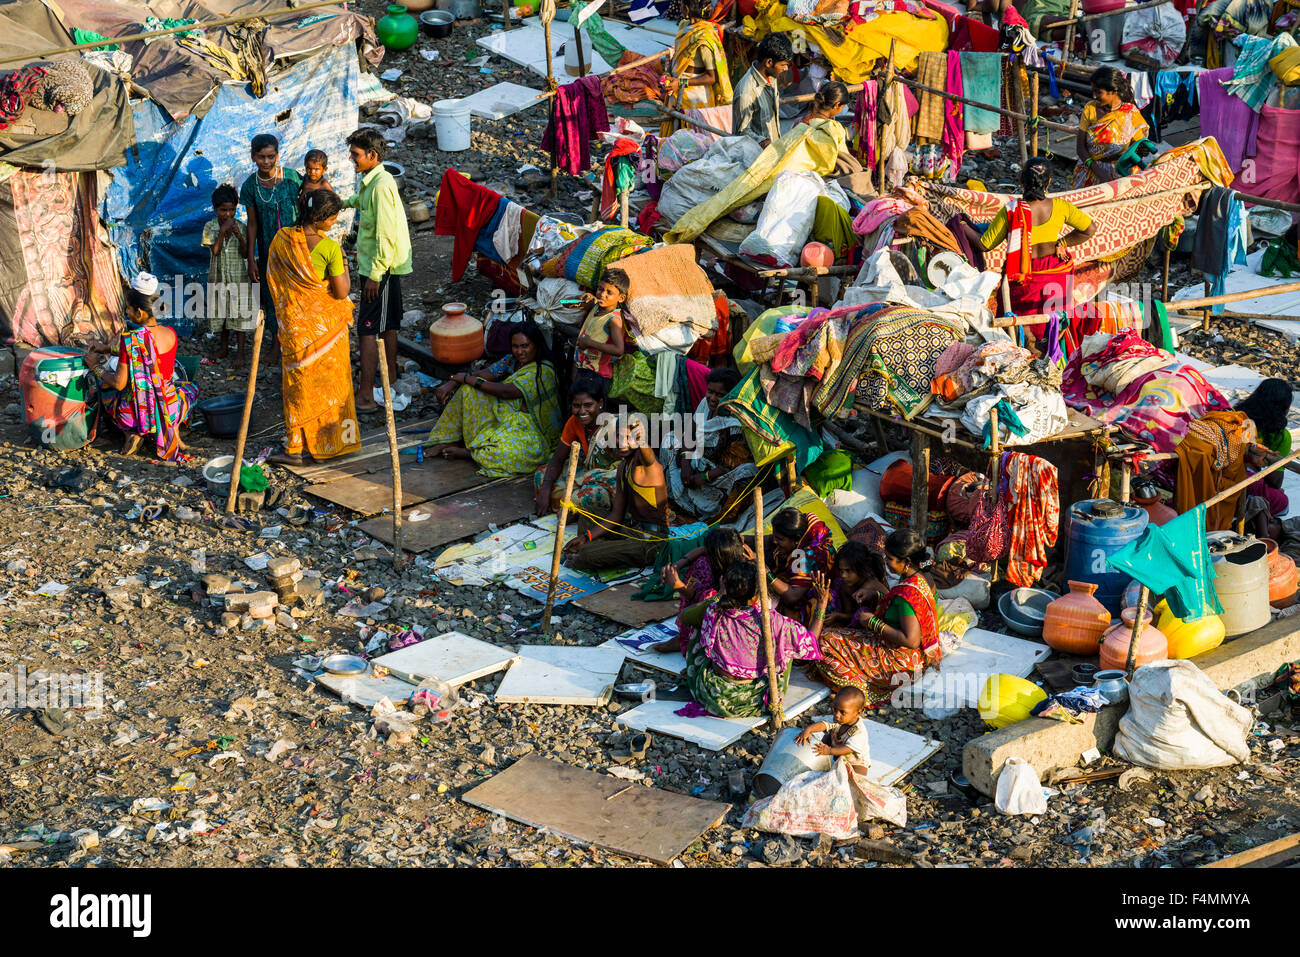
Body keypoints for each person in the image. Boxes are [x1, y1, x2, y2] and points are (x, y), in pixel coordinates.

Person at [263, 189, 361, 467]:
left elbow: (276, 283)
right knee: (330, 387)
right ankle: (329, 443)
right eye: (332, 217)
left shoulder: (281, 240)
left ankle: (296, 447)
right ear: (320, 218)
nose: (334, 222)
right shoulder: (330, 248)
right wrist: (342, 261)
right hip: (326, 332)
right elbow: (342, 292)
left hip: (295, 331)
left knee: (298, 388)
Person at [813, 529, 943, 708]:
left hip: (902, 664)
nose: (886, 562)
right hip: (918, 658)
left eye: (889, 558)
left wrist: (872, 622)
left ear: (906, 561)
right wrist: (875, 593)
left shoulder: (908, 593)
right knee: (836, 636)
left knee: (823, 642)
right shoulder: (922, 577)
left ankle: (863, 689)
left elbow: (911, 640)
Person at [974, 157, 1095, 349]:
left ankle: (1025, 352)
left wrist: (962, 226)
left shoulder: (1011, 211)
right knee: (1053, 323)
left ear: (1021, 181)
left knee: (1020, 325)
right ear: (1048, 182)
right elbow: (1089, 229)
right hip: (1055, 275)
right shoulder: (1061, 207)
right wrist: (1062, 242)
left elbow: (984, 244)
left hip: (1023, 275)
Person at [682, 560, 827, 718]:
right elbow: (810, 640)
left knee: (700, 627)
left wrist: (718, 595)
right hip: (754, 700)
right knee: (785, 645)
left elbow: (685, 616)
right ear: (757, 594)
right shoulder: (774, 622)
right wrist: (821, 605)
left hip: (714, 695)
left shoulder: (714, 609)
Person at [85, 272, 198, 462]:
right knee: (187, 388)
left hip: (136, 415)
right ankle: (174, 428)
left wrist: (95, 366)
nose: (126, 312)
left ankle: (130, 433)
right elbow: (147, 356)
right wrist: (109, 349)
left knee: (105, 387)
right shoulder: (170, 334)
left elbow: (119, 383)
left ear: (139, 312)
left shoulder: (130, 341)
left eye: (128, 309)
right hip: (169, 409)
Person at [428, 322, 562, 476]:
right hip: (506, 418)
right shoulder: (512, 360)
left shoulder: (543, 370)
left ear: (536, 345)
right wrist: (453, 382)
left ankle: (468, 453)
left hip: (531, 430)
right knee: (468, 391)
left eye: (525, 346)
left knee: (511, 453)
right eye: (515, 346)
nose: (520, 351)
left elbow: (506, 391)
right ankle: (449, 440)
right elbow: (484, 373)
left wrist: (464, 379)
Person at [342, 129, 412, 413]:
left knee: (367, 329)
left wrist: (375, 274)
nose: (351, 159)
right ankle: (390, 378)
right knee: (388, 323)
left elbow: (386, 234)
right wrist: (341, 203)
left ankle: (366, 394)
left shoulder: (382, 185)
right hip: (381, 265)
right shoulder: (373, 181)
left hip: (379, 267)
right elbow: (362, 203)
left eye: (355, 155)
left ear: (372, 155)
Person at [563, 418, 671, 572]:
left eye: (629, 438)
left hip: (652, 541)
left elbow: (648, 457)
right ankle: (600, 550)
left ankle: (594, 553)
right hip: (633, 530)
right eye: (618, 437)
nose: (622, 442)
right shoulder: (622, 467)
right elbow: (616, 516)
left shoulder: (648, 466)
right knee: (588, 514)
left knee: (587, 554)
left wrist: (641, 441)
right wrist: (586, 537)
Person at [665, 367, 755, 521]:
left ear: (731, 395)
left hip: (719, 475)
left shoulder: (735, 421)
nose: (712, 398)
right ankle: (679, 497)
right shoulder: (704, 405)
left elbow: (732, 464)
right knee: (671, 439)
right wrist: (686, 463)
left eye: (720, 395)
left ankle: (717, 516)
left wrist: (704, 476)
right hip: (698, 461)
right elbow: (690, 433)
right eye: (710, 392)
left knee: (748, 471)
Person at [240, 133, 302, 359]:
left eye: (271, 156)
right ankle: (276, 343)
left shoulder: (293, 179)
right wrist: (251, 259)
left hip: (295, 250)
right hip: (268, 252)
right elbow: (253, 225)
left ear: (278, 154)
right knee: (272, 296)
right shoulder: (250, 186)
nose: (266, 162)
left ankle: (296, 340)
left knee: (295, 294)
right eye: (261, 157)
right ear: (253, 157)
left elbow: (307, 209)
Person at [652, 527, 750, 654]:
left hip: (723, 626)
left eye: (709, 553)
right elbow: (702, 550)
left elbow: (709, 605)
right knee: (701, 562)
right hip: (712, 603)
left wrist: (679, 587)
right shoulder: (732, 552)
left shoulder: (736, 579)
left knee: (702, 569)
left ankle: (691, 643)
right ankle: (684, 637)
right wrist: (678, 564)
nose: (706, 553)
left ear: (719, 557)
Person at [533, 373, 620, 516]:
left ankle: (575, 508)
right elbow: (558, 459)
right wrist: (545, 489)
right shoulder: (574, 422)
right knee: (541, 475)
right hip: (587, 475)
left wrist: (584, 482)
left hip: (611, 481)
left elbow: (624, 470)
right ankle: (571, 507)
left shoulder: (613, 426)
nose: (582, 411)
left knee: (588, 496)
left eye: (588, 405)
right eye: (576, 406)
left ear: (601, 403)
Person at [202, 183, 256, 364]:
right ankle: (224, 348)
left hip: (238, 276)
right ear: (215, 208)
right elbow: (214, 251)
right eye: (223, 210)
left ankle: (240, 352)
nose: (228, 214)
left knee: (239, 313)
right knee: (223, 312)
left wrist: (239, 236)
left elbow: (244, 252)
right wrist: (222, 231)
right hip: (219, 277)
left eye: (232, 210)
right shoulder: (210, 227)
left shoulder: (240, 226)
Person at [1073, 66, 1151, 189]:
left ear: (1113, 91)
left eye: (1098, 92)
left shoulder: (1130, 113)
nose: (1094, 96)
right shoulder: (1090, 109)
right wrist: (1100, 173)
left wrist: (1142, 150)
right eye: (1093, 91)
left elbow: (1138, 146)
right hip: (1091, 169)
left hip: (1122, 171)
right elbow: (1080, 148)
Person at [762, 506, 836, 625]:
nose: (775, 541)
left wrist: (765, 571)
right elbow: (769, 540)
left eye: (779, 539)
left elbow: (793, 596)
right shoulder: (804, 526)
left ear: (796, 540)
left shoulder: (807, 556)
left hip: (811, 601)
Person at [1237, 379, 1292, 536]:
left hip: (1222, 477)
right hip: (1240, 482)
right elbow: (1275, 482)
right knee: (1283, 502)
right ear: (1285, 409)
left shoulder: (1238, 417)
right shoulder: (1282, 436)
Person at [664, 0, 732, 111]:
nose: (679, 6)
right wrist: (667, 73)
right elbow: (678, 54)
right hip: (677, 89)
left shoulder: (704, 38)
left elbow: (712, 77)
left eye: (681, 3)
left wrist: (681, 83)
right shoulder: (684, 26)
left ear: (686, 9)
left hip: (695, 100)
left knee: (689, 127)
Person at [731, 32, 792, 147]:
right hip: (756, 155)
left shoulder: (771, 78)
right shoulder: (746, 91)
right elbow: (741, 133)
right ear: (769, 62)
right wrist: (762, 141)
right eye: (783, 65)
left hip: (774, 148)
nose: (786, 68)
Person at [795, 687, 871, 777]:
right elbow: (823, 724)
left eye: (842, 712)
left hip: (855, 762)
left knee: (855, 779)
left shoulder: (859, 732)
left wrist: (829, 751)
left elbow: (848, 749)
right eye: (835, 709)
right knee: (824, 739)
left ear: (858, 713)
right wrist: (808, 730)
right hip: (835, 755)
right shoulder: (837, 720)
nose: (837, 715)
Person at [574, 269, 628, 385]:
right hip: (582, 369)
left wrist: (590, 343)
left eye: (609, 293)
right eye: (600, 289)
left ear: (621, 298)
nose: (602, 294)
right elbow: (565, 303)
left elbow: (619, 350)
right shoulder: (595, 306)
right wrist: (580, 298)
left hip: (597, 376)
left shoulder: (613, 319)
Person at [823, 540, 889, 628]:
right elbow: (848, 614)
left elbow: (889, 607)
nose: (843, 575)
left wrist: (838, 616)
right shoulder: (845, 585)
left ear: (861, 569)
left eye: (848, 571)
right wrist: (837, 616)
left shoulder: (872, 585)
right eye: (841, 571)